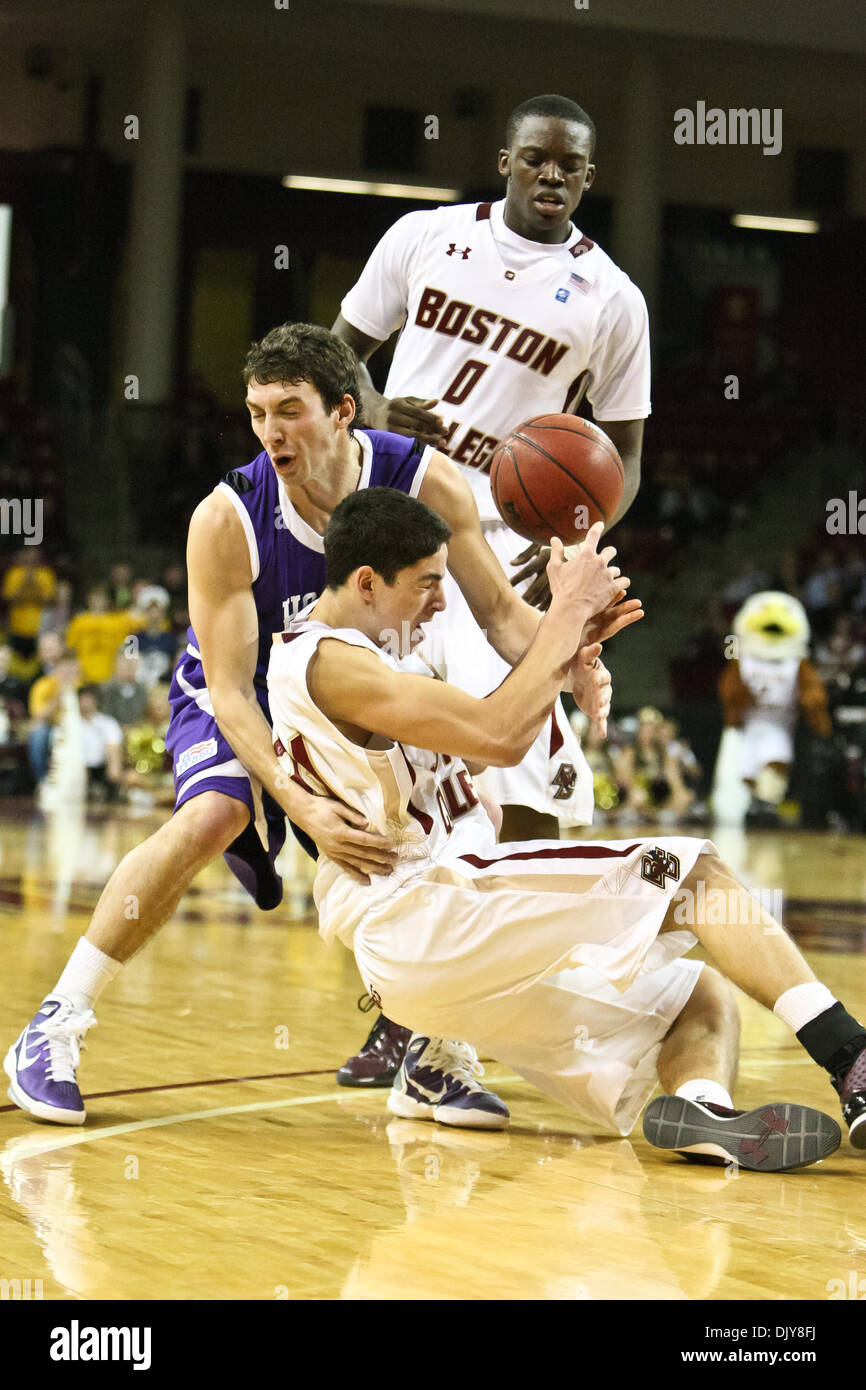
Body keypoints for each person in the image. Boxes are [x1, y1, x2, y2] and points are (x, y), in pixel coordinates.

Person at [3, 324, 632, 1127]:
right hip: (247, 687)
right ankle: (58, 1020)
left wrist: (571, 648)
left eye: (289, 410)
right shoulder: (228, 517)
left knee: (437, 832)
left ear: (342, 411)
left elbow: (506, 618)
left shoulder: (427, 481)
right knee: (214, 814)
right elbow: (230, 692)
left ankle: (431, 1051)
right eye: (258, 411)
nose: (270, 431)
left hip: (351, 686)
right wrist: (298, 803)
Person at [267, 489, 866, 1167]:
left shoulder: (381, 658)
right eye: (429, 582)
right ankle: (852, 1057)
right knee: (693, 877)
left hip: (439, 956)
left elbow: (501, 733)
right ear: (367, 582)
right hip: (422, 916)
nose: (440, 600)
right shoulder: (329, 662)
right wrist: (568, 611)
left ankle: (703, 1109)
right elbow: (497, 733)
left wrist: (567, 657)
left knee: (699, 995)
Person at [333, 92, 648, 843]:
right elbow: (336, 355)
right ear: (506, 161)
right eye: (536, 158)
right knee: (373, 760)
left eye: (569, 166)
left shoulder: (614, 301)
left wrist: (577, 538)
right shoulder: (425, 235)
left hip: (499, 549)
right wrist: (371, 406)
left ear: (588, 179)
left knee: (525, 762)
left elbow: (627, 457)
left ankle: (528, 931)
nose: (551, 175)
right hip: (388, 520)